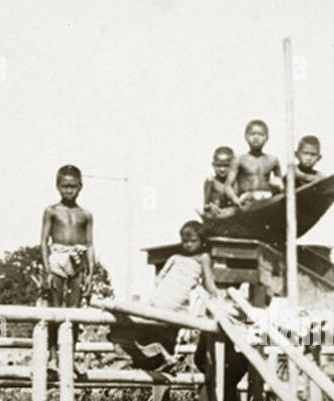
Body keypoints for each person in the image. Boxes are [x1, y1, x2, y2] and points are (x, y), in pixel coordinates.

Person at [111, 220, 217, 372]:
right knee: (121, 321)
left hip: (174, 304)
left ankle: (149, 354)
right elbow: (159, 279)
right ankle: (148, 354)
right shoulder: (175, 257)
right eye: (184, 241)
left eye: (192, 241)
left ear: (202, 241)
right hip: (162, 299)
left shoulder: (203, 258)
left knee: (124, 321)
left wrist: (218, 298)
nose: (187, 245)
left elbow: (209, 283)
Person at [39, 164, 93, 367]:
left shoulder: (85, 215)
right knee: (55, 310)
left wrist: (90, 273)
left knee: (75, 311)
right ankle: (53, 357)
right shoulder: (51, 211)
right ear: (57, 186)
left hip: (78, 260)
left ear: (80, 186)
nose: (69, 190)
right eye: (64, 186)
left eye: (73, 186)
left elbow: (89, 245)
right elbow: (44, 241)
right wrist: (47, 271)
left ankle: (69, 357)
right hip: (58, 258)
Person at [225, 119, 283, 206]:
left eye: (260, 134)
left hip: (267, 199)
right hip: (247, 199)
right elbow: (227, 186)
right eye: (252, 134)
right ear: (246, 136)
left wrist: (279, 187)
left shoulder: (273, 160)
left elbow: (281, 184)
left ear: (267, 137)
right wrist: (235, 199)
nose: (256, 137)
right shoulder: (239, 160)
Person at [202, 146, 237, 219]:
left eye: (226, 166)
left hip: (235, 218)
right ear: (213, 165)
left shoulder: (237, 181)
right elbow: (206, 205)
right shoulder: (211, 181)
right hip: (217, 218)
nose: (222, 169)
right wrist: (211, 208)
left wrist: (232, 210)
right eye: (219, 165)